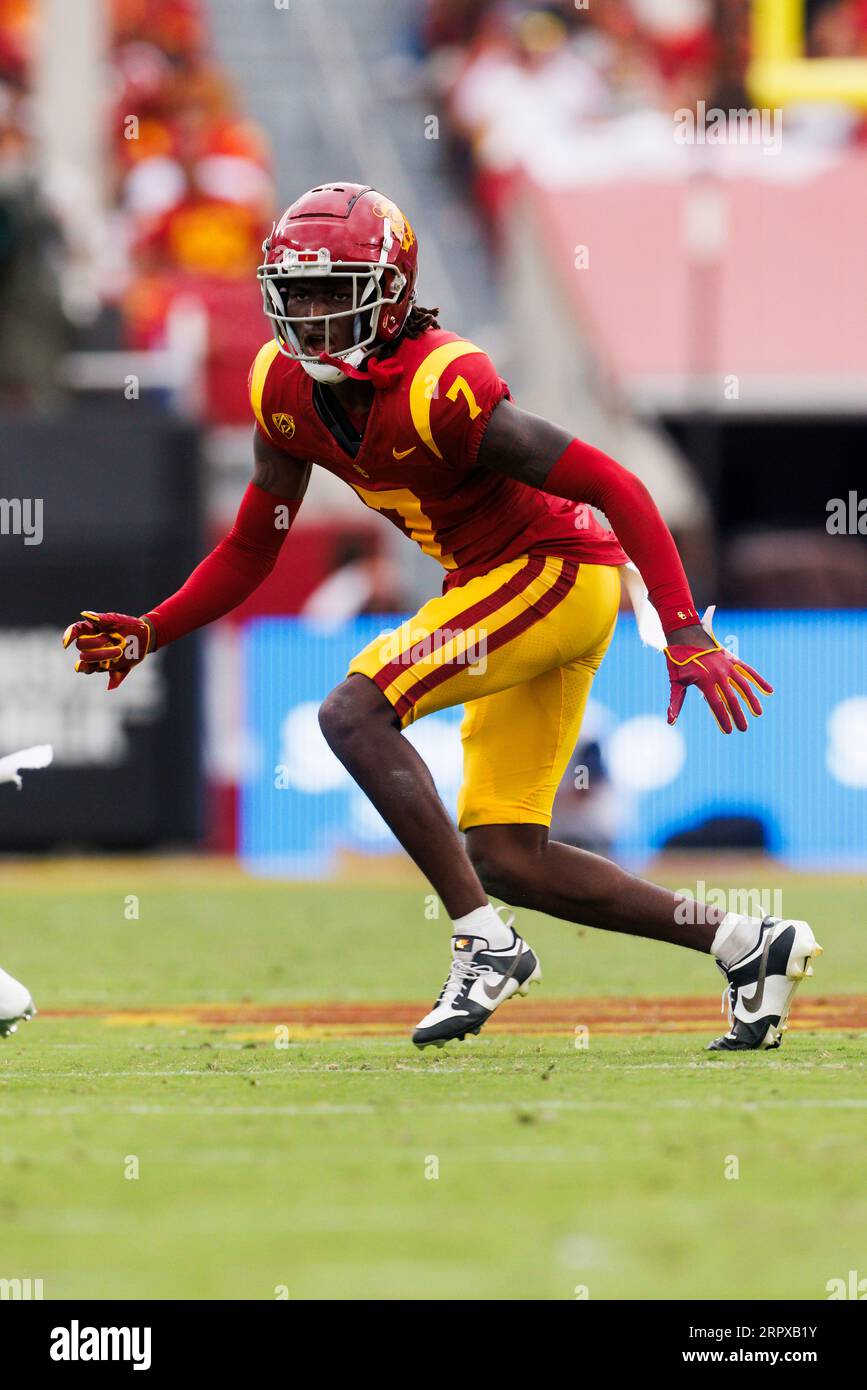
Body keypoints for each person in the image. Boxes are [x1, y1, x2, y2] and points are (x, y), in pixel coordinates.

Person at [62, 183, 822, 1052]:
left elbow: (615, 485)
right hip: (496, 584)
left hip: (552, 571)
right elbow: (249, 547)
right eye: (295, 293)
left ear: (389, 293)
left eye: (331, 290)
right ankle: (747, 944)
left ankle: (482, 943)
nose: (309, 315)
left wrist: (682, 629)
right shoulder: (281, 387)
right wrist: (152, 629)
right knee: (507, 857)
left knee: (354, 711)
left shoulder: (440, 385)